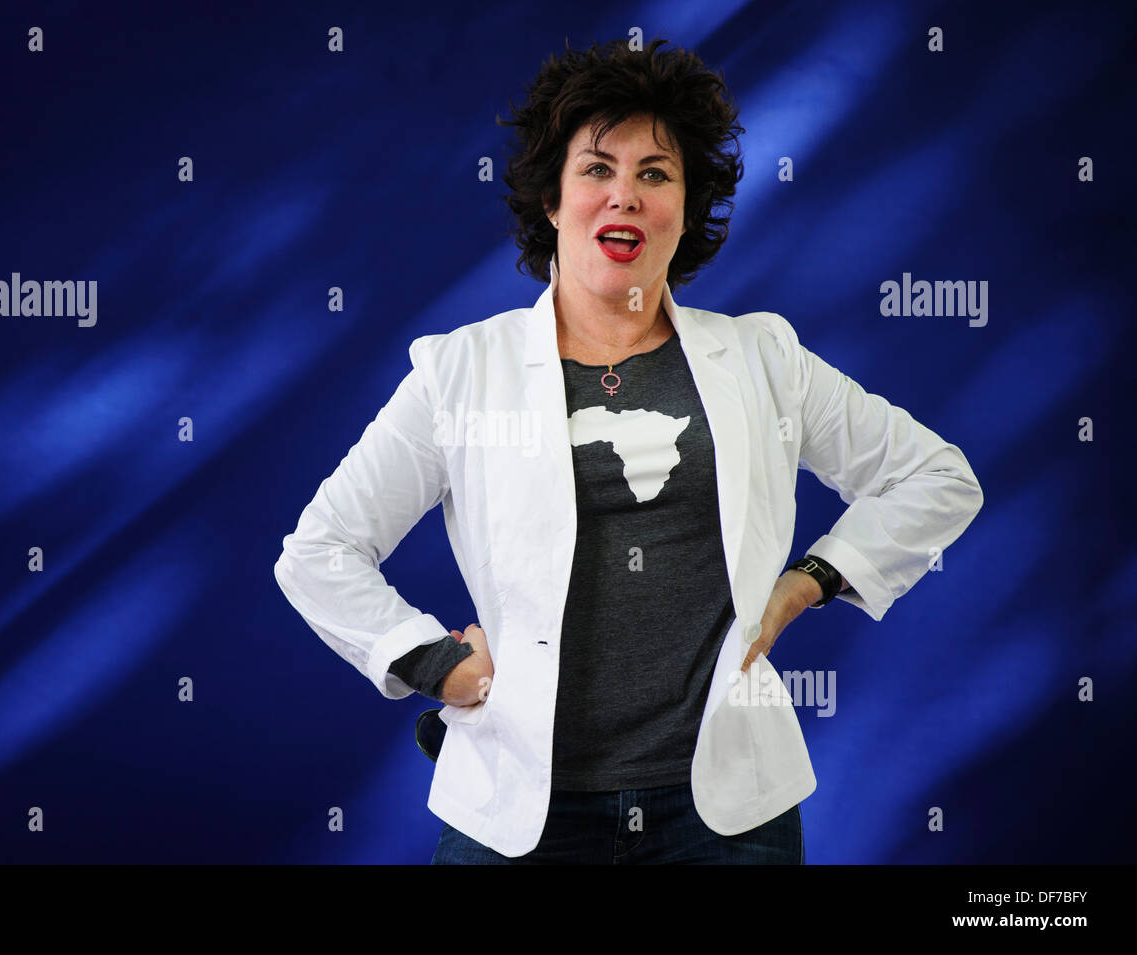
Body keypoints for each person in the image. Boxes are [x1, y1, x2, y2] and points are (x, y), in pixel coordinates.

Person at [273, 38, 983, 864]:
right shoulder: (462, 371)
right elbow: (318, 552)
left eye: (656, 173)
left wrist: (811, 581)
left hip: (726, 817)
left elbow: (937, 477)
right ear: (551, 198)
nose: (626, 197)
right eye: (597, 170)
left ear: (687, 206)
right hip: (519, 816)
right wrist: (436, 665)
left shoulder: (761, 358)